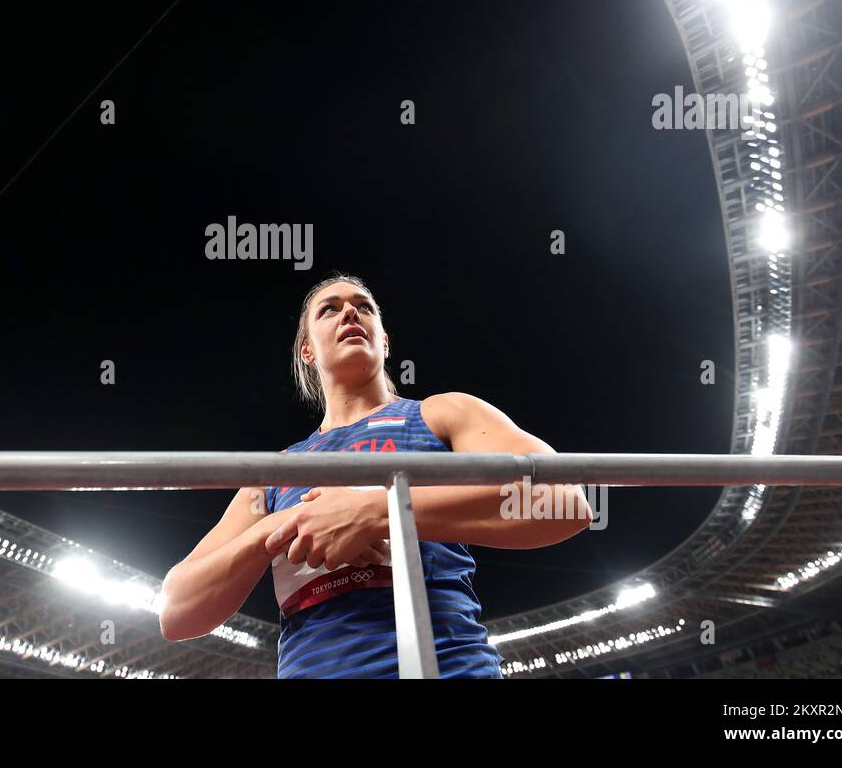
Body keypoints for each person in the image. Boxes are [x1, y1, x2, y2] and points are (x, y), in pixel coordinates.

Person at [159, 273, 593, 677]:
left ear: (384, 341)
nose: (350, 312)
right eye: (329, 309)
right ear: (306, 350)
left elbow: (563, 501)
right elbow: (176, 610)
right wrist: (281, 526)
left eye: (363, 306)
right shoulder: (276, 471)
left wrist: (379, 511)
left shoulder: (441, 413)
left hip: (446, 666)